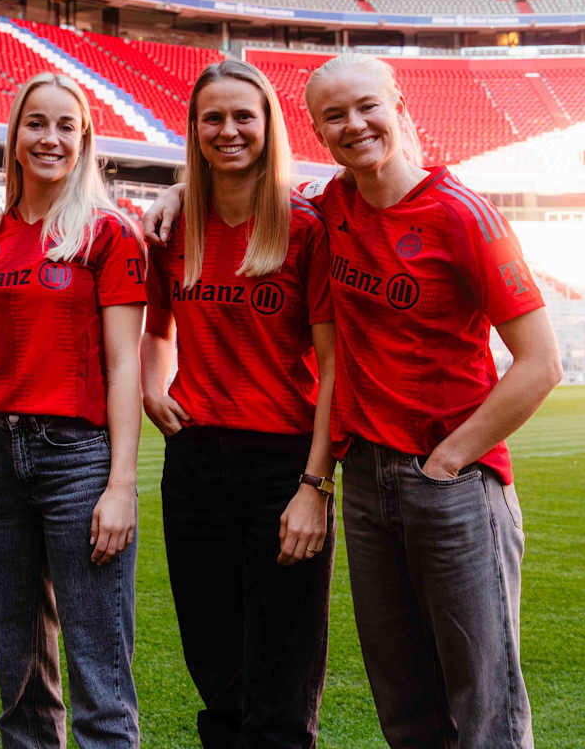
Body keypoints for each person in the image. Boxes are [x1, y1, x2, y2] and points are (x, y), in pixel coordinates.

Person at [145, 53, 562, 749]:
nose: (354, 124)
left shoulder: (463, 216)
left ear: (401, 105)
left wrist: (450, 458)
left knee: (484, 701)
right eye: (334, 115)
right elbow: (244, 179)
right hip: (365, 477)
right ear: (314, 129)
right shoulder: (330, 205)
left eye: (366, 106)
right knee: (404, 702)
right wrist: (182, 188)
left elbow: (541, 362)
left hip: (450, 480)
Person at [0, 72, 145, 749]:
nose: (50, 138)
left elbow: (123, 367)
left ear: (84, 141)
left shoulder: (109, 234)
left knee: (99, 674)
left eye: (65, 125)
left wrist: (120, 486)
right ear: (15, 138)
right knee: (19, 681)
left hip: (77, 461)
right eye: (36, 124)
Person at [140, 60, 336, 749]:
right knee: (215, 672)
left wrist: (315, 485)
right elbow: (156, 330)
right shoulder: (171, 231)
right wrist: (151, 386)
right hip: (194, 463)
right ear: (194, 130)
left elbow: (334, 365)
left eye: (242, 116)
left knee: (281, 682)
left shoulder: (306, 227)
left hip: (283, 465)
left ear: (267, 126)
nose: (228, 130)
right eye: (212, 117)